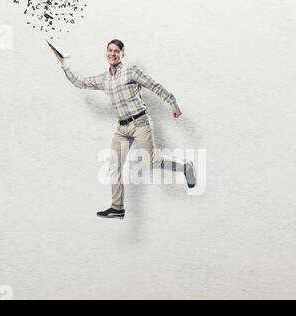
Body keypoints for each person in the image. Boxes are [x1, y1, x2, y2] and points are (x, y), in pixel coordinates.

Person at [50, 39, 195, 218]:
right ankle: (117, 208)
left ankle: (186, 167)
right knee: (114, 165)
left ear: (122, 54)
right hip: (122, 129)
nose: (112, 54)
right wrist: (64, 63)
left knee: (152, 163)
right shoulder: (104, 79)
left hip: (140, 123)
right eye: (110, 50)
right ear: (106, 53)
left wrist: (173, 103)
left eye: (116, 51)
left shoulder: (130, 71)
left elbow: (154, 86)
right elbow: (81, 82)